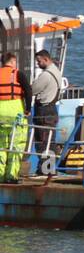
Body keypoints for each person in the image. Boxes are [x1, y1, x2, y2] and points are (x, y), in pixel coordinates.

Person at [0, 51, 30, 182]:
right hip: (16, 114)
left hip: (0, 113)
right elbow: (28, 91)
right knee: (16, 145)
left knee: (1, 146)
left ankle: (0, 176)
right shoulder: (18, 74)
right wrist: (28, 109)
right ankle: (11, 176)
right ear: (12, 62)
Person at [29, 49, 62, 156]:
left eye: (39, 61)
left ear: (46, 59)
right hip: (52, 110)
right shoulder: (57, 71)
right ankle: (50, 168)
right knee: (49, 142)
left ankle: (45, 168)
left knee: (42, 143)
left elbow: (33, 90)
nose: (38, 64)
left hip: (44, 112)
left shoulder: (46, 75)